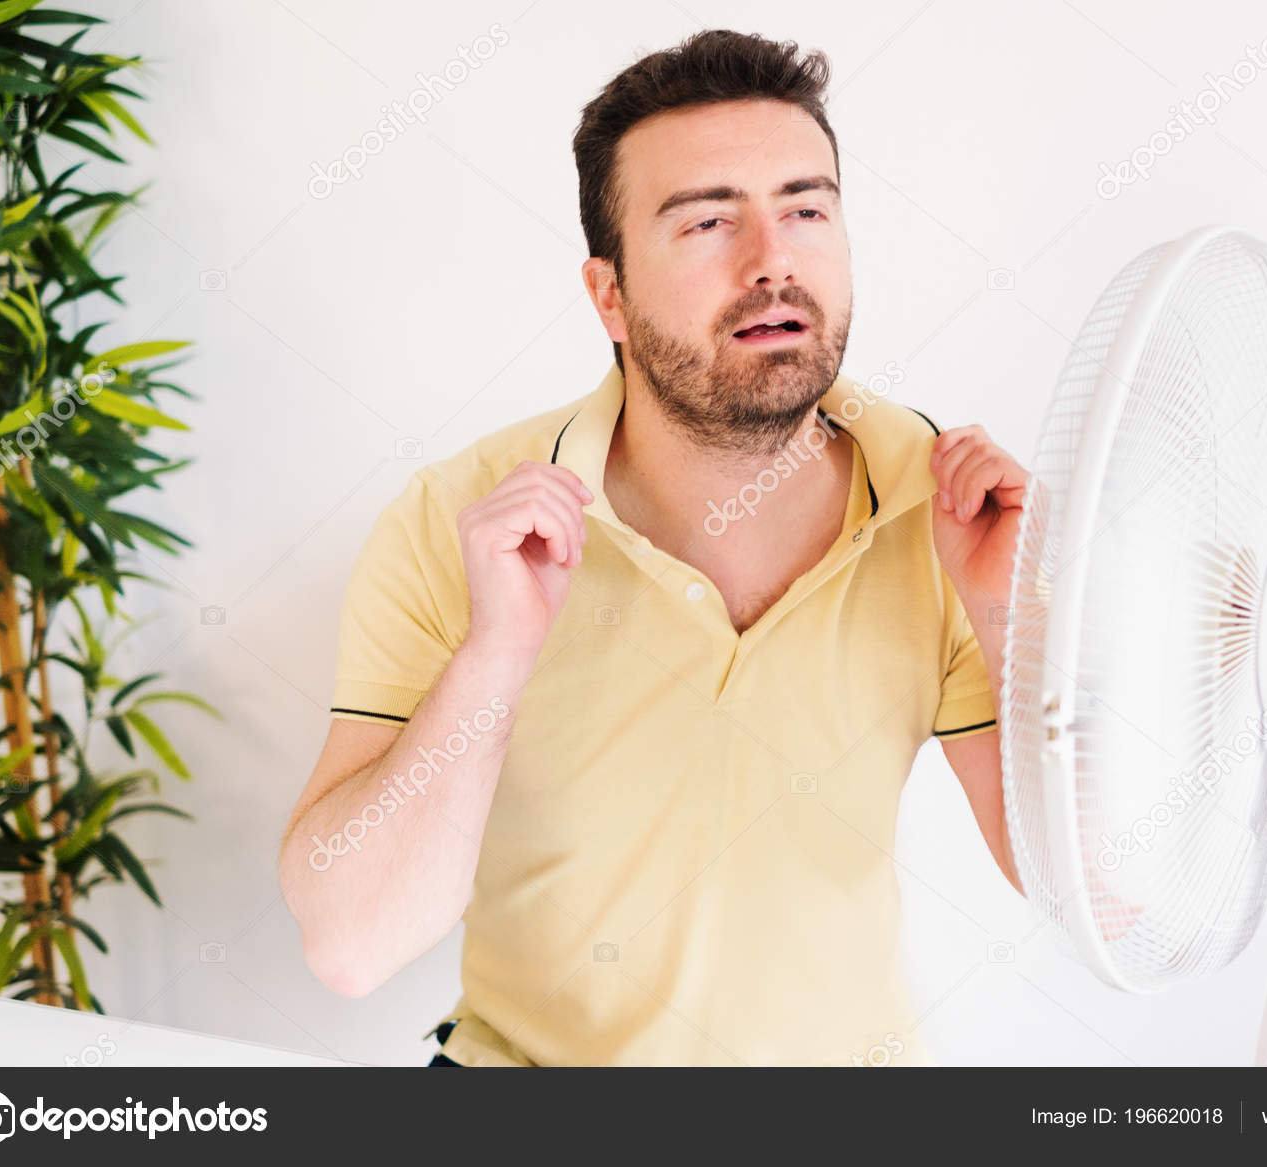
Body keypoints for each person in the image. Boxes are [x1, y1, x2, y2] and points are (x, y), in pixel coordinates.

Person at [278, 29, 1025, 1068]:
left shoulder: (939, 507)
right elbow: (353, 942)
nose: (772, 261)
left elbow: (1092, 896)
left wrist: (1003, 614)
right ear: (610, 298)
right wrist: (497, 652)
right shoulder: (460, 514)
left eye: (806, 211)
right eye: (709, 222)